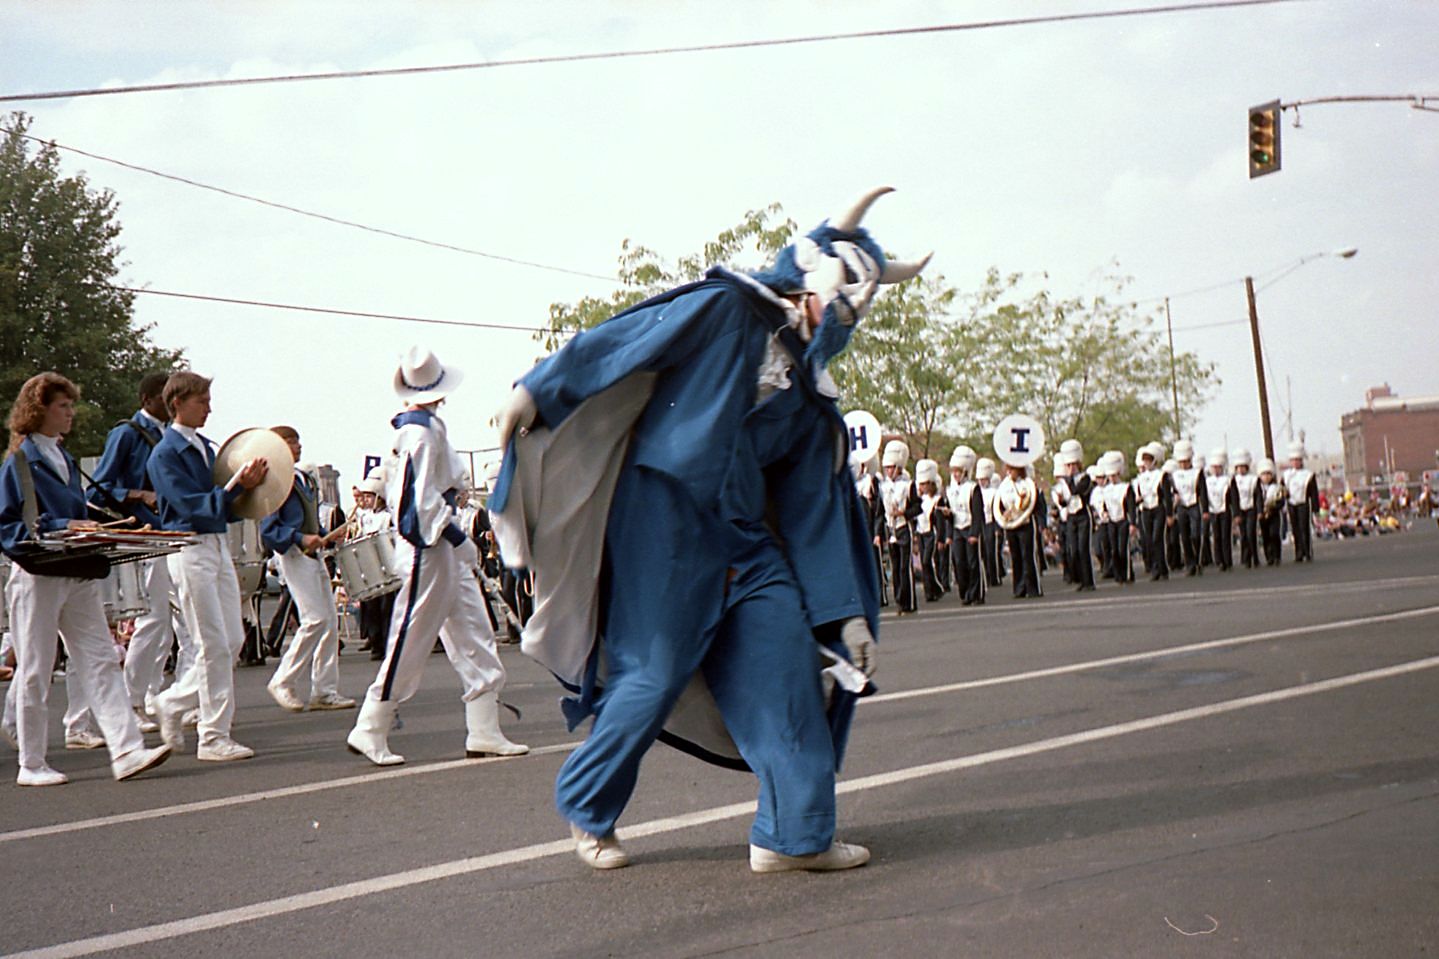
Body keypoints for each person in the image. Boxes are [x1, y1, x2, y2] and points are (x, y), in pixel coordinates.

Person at [491, 189, 926, 872]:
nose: (843, 315)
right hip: (662, 522)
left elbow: (811, 507)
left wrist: (845, 616)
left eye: (856, 306)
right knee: (650, 675)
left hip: (746, 546)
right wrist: (541, 386)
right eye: (841, 293)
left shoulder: (813, 401)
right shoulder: (725, 310)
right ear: (811, 278)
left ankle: (793, 835)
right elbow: (631, 336)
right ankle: (588, 805)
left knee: (786, 673)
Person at [346, 347, 527, 767]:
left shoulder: (425, 429)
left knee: (474, 632)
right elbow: (418, 503)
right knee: (410, 638)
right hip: (428, 546)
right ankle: (371, 726)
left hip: (439, 544)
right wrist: (452, 533)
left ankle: (484, 729)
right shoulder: (419, 434)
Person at [0, 372, 171, 785]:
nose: (71, 413)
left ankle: (127, 751)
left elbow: (77, 511)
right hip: (38, 574)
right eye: (63, 406)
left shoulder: (63, 457)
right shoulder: (19, 461)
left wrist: (107, 528)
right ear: (39, 409)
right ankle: (31, 763)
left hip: (74, 571)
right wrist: (68, 524)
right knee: (37, 668)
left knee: (100, 661)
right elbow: (10, 524)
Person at [147, 371, 269, 762]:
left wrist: (244, 488)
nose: (209, 408)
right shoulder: (164, 454)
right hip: (189, 547)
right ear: (177, 402)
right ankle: (213, 736)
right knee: (212, 642)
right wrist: (237, 485)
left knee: (231, 639)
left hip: (214, 545)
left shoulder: (202, 447)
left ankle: (173, 701)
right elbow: (191, 505)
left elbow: (221, 505)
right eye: (202, 401)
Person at [86, 371, 176, 733]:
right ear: (147, 399)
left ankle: (158, 694)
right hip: (144, 535)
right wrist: (138, 495)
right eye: (166, 397)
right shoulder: (126, 433)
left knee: (174, 626)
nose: (171, 404)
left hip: (170, 533)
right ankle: (132, 699)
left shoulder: (171, 436)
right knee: (154, 619)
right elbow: (98, 490)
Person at [259, 427, 356, 712]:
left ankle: (325, 690)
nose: (297, 446)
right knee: (314, 619)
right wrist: (301, 538)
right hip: (293, 554)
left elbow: (310, 522)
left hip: (313, 556)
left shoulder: (303, 479)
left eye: (297, 440)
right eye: (289, 442)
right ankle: (283, 679)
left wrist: (326, 534)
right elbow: (269, 530)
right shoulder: (273, 481)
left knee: (328, 622)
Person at [879, 439, 920, 615]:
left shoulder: (908, 485)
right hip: (891, 528)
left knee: (905, 567)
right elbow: (880, 510)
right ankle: (899, 601)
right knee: (894, 567)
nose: (889, 471)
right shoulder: (883, 486)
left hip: (904, 528)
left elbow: (918, 507)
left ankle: (909, 602)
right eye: (886, 468)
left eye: (891, 467)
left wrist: (904, 513)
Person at [995, 458, 1042, 598]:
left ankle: (1033, 588)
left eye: (1012, 470)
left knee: (1027, 555)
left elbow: (1033, 502)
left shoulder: (1027, 484)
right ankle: (1019, 588)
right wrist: (1004, 513)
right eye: (1008, 470)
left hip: (1025, 522)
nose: (1009, 473)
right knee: (1015, 556)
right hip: (1011, 524)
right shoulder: (1004, 485)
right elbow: (1001, 503)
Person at [946, 446, 985, 606]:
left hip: (969, 528)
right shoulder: (950, 489)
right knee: (959, 562)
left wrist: (975, 533)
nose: (955, 474)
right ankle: (965, 593)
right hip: (956, 528)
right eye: (953, 471)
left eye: (958, 471)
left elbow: (977, 512)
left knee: (973, 562)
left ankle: (976, 594)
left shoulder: (972, 488)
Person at [1059, 440, 1096, 591]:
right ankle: (1079, 578)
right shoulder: (1065, 482)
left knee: (1083, 548)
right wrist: (1061, 501)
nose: (1071, 468)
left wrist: (1068, 479)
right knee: (1072, 549)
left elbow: (1076, 491)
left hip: (1083, 516)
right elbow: (1066, 501)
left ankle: (1088, 581)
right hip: (1071, 516)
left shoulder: (1085, 478)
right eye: (1068, 465)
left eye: (1073, 465)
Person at [1133, 443, 1171, 581]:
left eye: (1149, 459)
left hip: (1158, 509)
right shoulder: (1140, 478)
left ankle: (1162, 568)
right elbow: (1137, 496)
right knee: (1148, 540)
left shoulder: (1161, 475)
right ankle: (1156, 568)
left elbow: (1167, 496)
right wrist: (1138, 500)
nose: (1147, 463)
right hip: (1146, 510)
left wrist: (1170, 514)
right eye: (1145, 460)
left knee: (1157, 538)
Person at [1283, 441, 1321, 562]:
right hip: (1292, 504)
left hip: (1303, 503)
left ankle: (1307, 551)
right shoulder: (1286, 475)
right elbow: (1282, 490)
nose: (1295, 462)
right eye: (1293, 460)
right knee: (1295, 529)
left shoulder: (1308, 475)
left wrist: (1316, 508)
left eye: (1298, 460)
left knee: (1304, 528)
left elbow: (1314, 493)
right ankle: (1298, 552)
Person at [914, 458, 945, 603]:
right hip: (921, 533)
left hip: (931, 534)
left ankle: (936, 587)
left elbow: (940, 522)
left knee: (927, 561)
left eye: (926, 484)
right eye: (921, 484)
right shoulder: (920, 500)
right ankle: (929, 592)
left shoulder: (937, 500)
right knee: (923, 562)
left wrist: (940, 539)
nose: (923, 487)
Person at [1170, 441, 1203, 576]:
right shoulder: (1174, 475)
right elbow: (1172, 491)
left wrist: (1205, 509)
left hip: (1194, 505)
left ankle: (1198, 559)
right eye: (1181, 461)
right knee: (1184, 536)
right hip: (1181, 507)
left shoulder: (1197, 473)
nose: (1183, 464)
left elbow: (1202, 491)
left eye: (1186, 461)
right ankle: (1190, 563)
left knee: (1195, 534)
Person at [1202, 447, 1234, 572]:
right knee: (1216, 536)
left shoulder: (1227, 480)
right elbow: (1204, 496)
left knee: (1225, 535)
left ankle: (1227, 560)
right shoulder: (1207, 481)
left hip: (1224, 510)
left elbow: (1233, 497)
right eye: (1214, 467)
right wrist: (1205, 510)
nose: (1216, 470)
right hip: (1212, 510)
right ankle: (1219, 560)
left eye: (1218, 467)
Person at [975, 457, 1005, 587]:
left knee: (992, 552)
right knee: (983, 553)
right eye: (980, 480)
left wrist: (998, 528)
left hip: (991, 524)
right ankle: (986, 575)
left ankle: (995, 576)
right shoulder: (976, 492)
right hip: (981, 524)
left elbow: (998, 511)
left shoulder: (994, 493)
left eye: (984, 480)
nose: (982, 482)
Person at [1230, 448, 1259, 569]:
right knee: (1243, 535)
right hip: (1240, 510)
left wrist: (1259, 510)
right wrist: (1236, 514)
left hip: (1251, 508)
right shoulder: (1233, 480)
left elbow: (1257, 496)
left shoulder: (1253, 479)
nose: (1241, 469)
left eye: (1243, 466)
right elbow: (1233, 498)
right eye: (1238, 467)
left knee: (1250, 532)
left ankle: (1255, 556)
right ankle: (1246, 558)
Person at [1257, 457, 1286, 566]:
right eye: (1264, 474)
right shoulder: (1258, 488)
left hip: (1274, 515)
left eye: (1268, 474)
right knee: (1265, 536)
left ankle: (1277, 555)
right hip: (1263, 515)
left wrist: (1273, 507)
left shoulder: (1276, 487)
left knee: (1274, 534)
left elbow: (1281, 501)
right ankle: (1269, 556)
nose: (1266, 477)